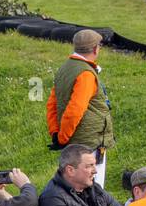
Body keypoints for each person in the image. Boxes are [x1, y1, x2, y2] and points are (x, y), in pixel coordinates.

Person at [46, 28, 114, 188]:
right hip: (89, 141)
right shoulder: (86, 74)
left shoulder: (65, 69)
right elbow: (75, 109)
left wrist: (56, 133)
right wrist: (62, 137)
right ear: (95, 49)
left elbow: (52, 104)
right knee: (93, 187)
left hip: (74, 140)